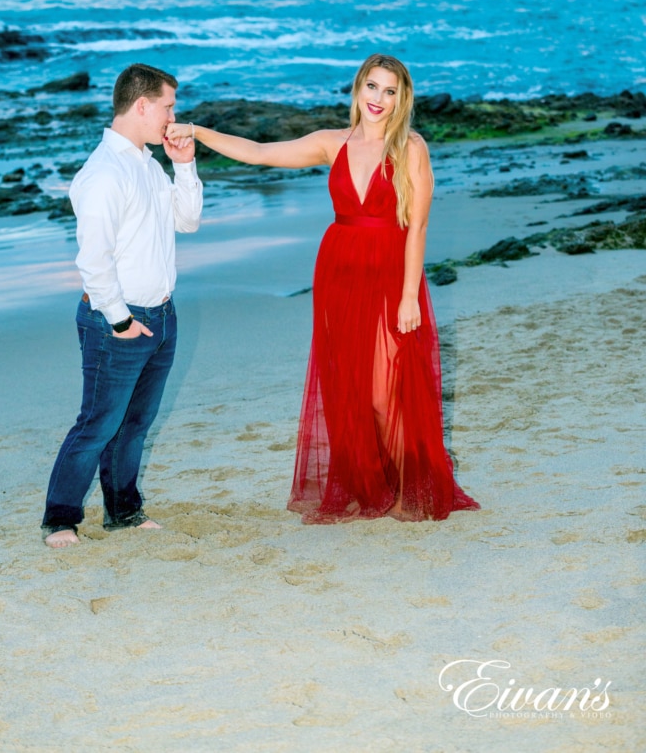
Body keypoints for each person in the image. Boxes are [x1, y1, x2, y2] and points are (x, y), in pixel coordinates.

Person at [167, 53, 478, 524]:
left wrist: (409, 296)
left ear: (401, 99)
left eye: (389, 91)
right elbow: (260, 152)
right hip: (339, 274)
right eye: (372, 86)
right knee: (350, 388)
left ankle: (411, 486)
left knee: (384, 392)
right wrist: (197, 131)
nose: (378, 98)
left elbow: (417, 227)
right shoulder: (332, 143)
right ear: (358, 88)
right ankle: (373, 483)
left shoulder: (410, 147)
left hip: (390, 275)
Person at [41, 63, 203, 548]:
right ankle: (60, 519)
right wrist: (120, 321)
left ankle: (124, 512)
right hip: (117, 320)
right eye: (169, 106)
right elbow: (94, 260)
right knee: (98, 424)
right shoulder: (104, 173)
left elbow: (187, 221)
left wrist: (185, 165)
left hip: (162, 317)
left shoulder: (148, 164)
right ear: (143, 105)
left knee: (135, 425)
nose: (174, 116)